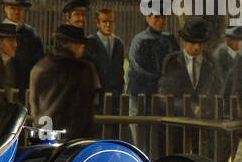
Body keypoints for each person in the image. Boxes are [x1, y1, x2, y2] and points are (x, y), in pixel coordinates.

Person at [28, 23, 99, 139]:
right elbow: (87, 108)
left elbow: (34, 105)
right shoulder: (84, 69)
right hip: (74, 136)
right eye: (82, 46)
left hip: (45, 133)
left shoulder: (39, 67)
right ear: (74, 46)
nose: (83, 49)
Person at [127, 11, 179, 152]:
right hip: (142, 98)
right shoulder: (140, 40)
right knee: (143, 142)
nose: (161, 21)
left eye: (163, 17)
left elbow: (177, 66)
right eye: (157, 17)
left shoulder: (170, 40)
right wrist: (160, 80)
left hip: (164, 99)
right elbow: (137, 69)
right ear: (148, 18)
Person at [158, 18, 225, 118]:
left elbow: (218, 93)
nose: (197, 47)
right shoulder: (171, 62)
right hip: (179, 124)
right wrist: (191, 108)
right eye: (193, 43)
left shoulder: (212, 63)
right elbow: (164, 97)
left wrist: (205, 108)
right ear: (184, 41)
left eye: (200, 43)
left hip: (206, 125)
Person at [0, 0, 44, 89]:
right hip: (5, 83)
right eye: (12, 8)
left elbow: (39, 58)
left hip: (27, 84)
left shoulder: (31, 32)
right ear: (5, 8)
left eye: (20, 9)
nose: (17, 12)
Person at [85, 8, 125, 97]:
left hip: (115, 92)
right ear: (97, 24)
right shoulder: (90, 42)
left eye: (111, 22)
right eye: (104, 22)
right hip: (97, 92)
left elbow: (120, 70)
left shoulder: (118, 43)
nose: (108, 25)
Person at [212, 25, 242, 98]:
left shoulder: (241, 57)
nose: (239, 43)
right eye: (235, 40)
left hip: (236, 99)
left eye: (240, 40)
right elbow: (217, 83)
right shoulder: (218, 56)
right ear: (228, 40)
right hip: (221, 99)